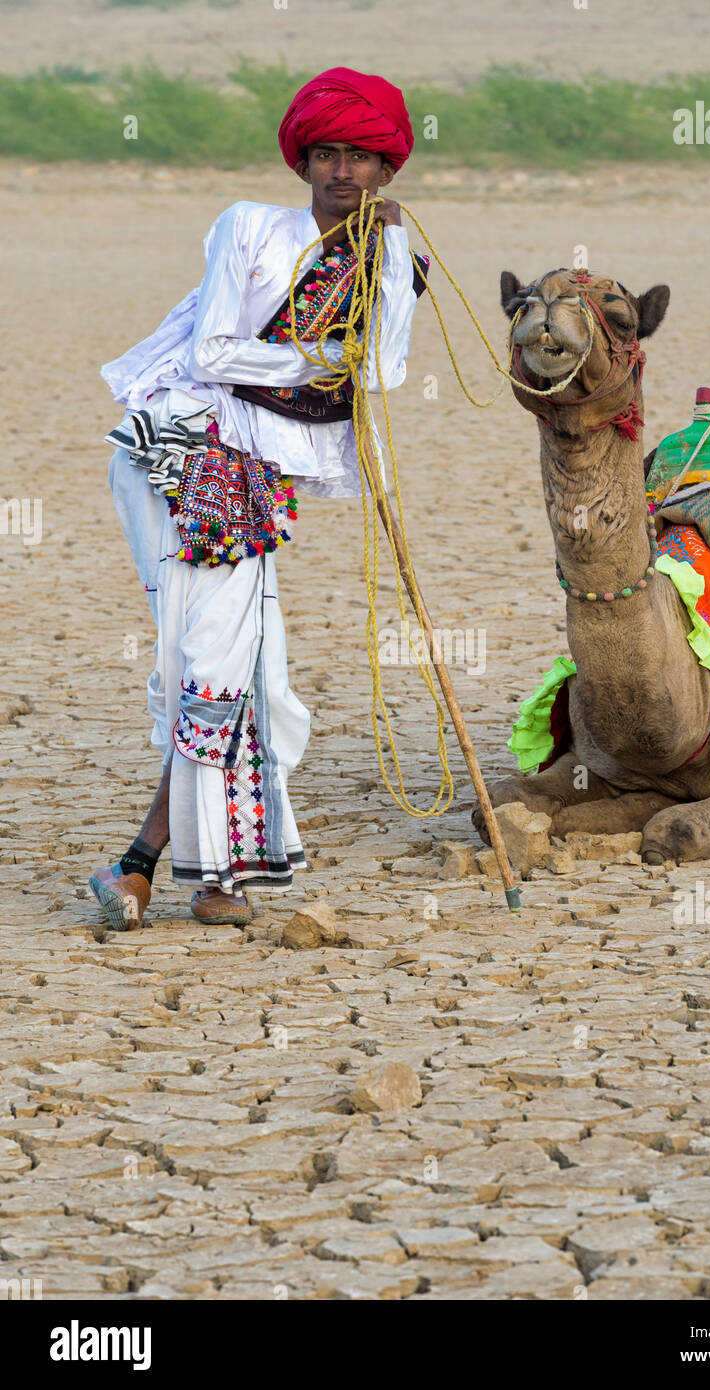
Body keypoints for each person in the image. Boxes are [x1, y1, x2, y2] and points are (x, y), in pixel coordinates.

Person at [90, 67, 429, 930]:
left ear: (386, 172)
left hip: (260, 470)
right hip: (186, 446)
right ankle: (162, 868)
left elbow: (382, 372)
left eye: (359, 156)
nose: (341, 171)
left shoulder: (387, 254)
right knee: (214, 659)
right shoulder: (248, 229)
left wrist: (381, 270)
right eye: (325, 154)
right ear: (304, 162)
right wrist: (317, 364)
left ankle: (196, 874)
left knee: (253, 673)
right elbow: (213, 350)